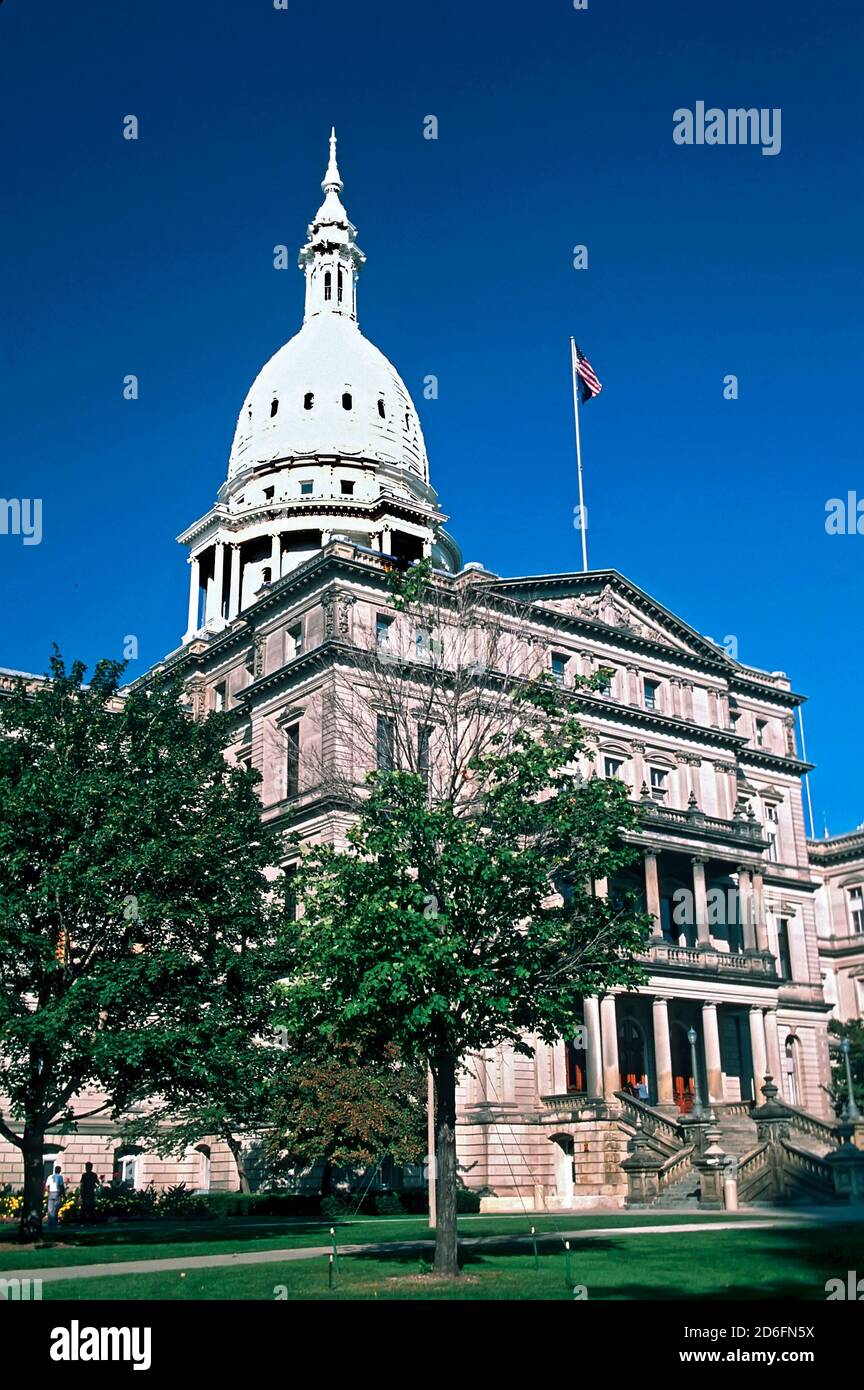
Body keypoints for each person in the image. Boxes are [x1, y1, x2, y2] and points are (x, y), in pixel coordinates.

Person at [45, 1164, 65, 1231]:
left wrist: (49, 1192)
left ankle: (49, 1224)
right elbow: (61, 1186)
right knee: (56, 1209)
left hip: (51, 1193)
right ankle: (54, 1224)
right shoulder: (60, 1177)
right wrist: (63, 1194)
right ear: (59, 1170)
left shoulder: (50, 1176)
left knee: (50, 1209)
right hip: (57, 1193)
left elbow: (46, 1186)